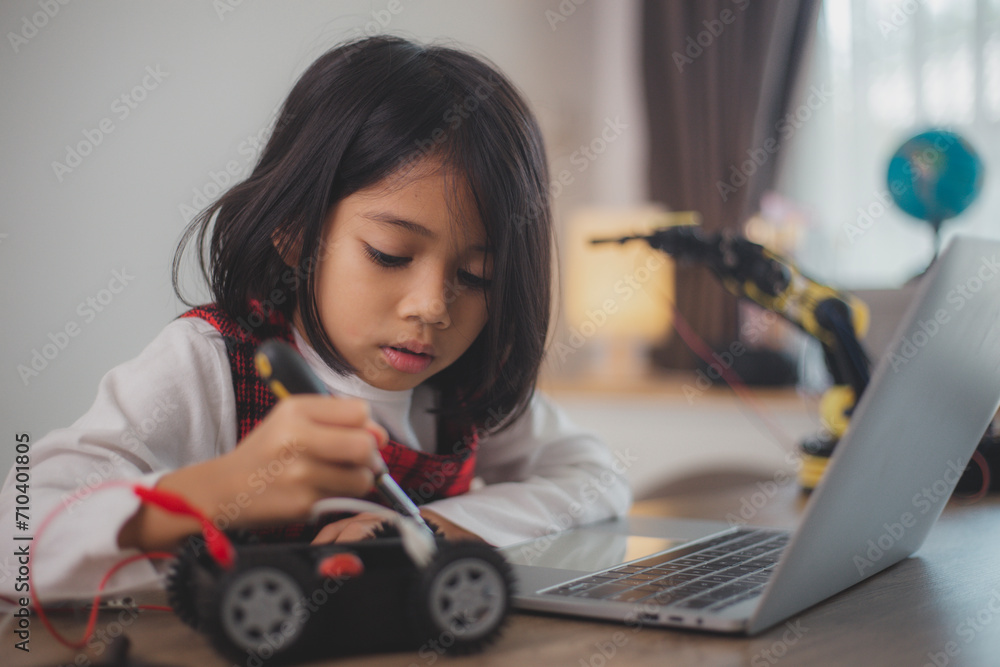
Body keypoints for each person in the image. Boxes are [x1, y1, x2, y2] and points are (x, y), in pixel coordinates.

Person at [0, 35, 631, 601]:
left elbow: (596, 478)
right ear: (294, 230)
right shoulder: (208, 364)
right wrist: (218, 491)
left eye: (476, 276)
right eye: (390, 254)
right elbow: (17, 538)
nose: (433, 307)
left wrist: (430, 528)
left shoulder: (461, 390)